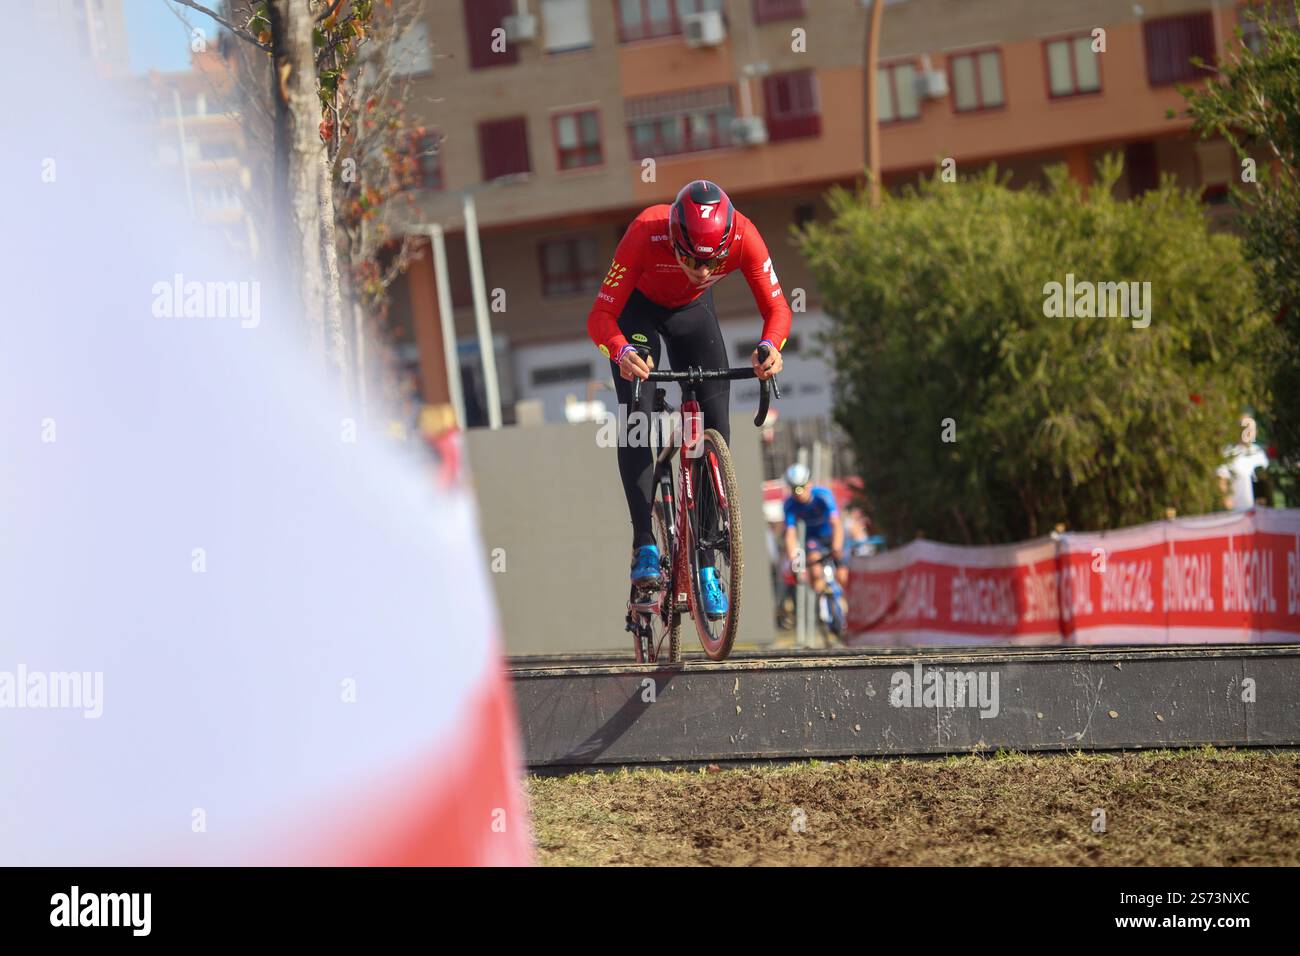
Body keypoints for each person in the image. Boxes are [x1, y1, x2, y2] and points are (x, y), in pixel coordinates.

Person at [587, 180, 791, 618]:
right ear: (675, 239)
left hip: (691, 314)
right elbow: (600, 316)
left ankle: (705, 566)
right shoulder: (646, 231)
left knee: (715, 424)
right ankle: (644, 541)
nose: (702, 270)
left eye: (712, 262)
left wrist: (772, 347)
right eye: (691, 259)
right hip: (636, 312)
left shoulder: (745, 236)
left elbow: (778, 311)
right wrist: (621, 352)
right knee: (638, 416)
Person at [781, 463, 848, 595]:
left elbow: (836, 523)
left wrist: (837, 546)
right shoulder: (790, 504)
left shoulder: (823, 495)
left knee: (842, 577)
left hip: (831, 535)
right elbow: (790, 533)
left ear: (809, 484)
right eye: (794, 489)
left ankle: (841, 602)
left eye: (801, 488)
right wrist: (793, 559)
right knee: (815, 571)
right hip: (813, 538)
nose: (798, 493)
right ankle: (823, 604)